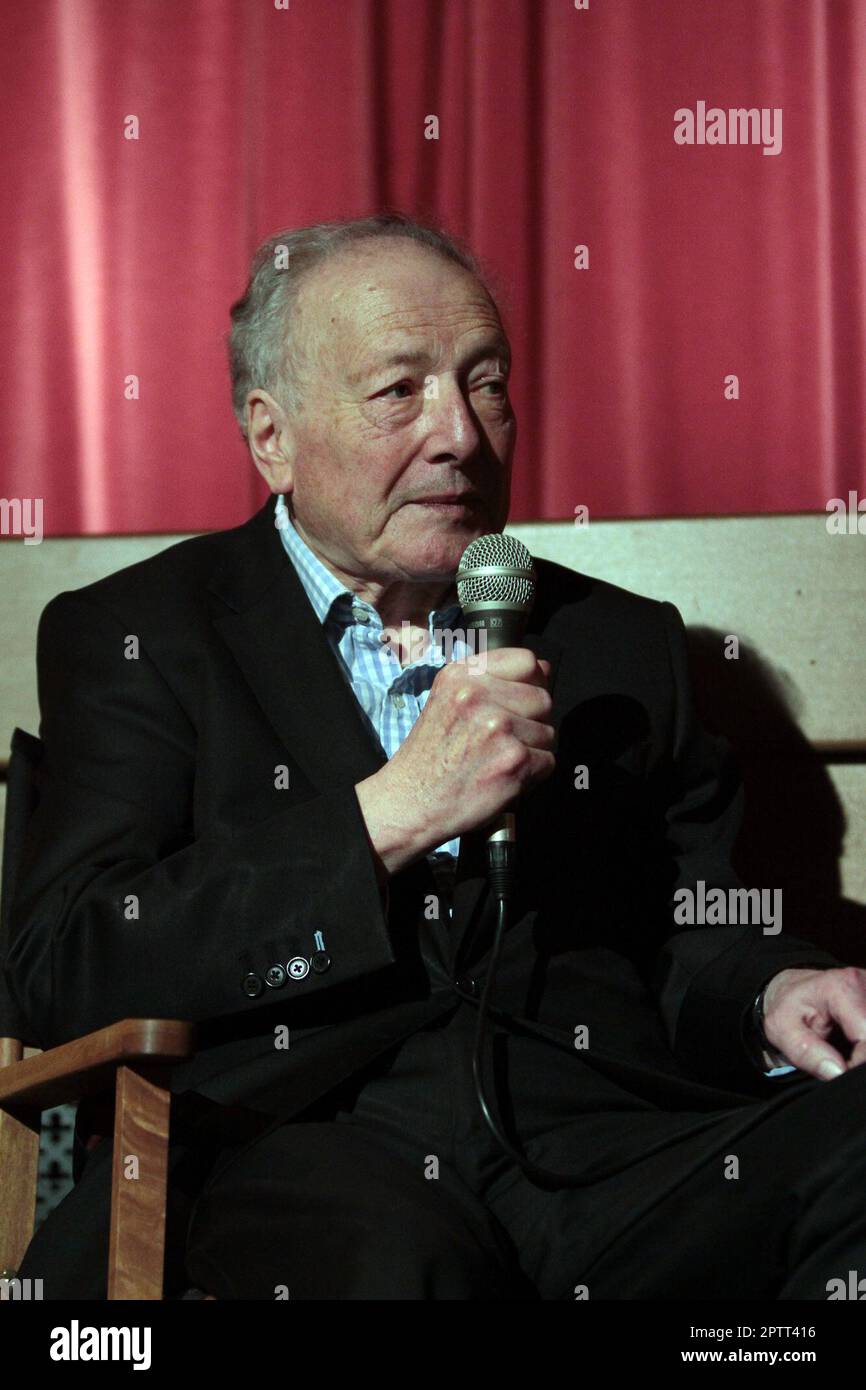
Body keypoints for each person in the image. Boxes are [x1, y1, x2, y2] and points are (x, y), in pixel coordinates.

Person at [11, 213, 866, 1301]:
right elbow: (62, 964)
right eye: (397, 392)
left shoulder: (616, 641)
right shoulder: (148, 634)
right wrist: (386, 814)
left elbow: (683, 924)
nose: (460, 434)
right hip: (305, 1140)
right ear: (270, 435)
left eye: (486, 384)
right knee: (391, 1267)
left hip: (599, 1141)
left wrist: (766, 988)